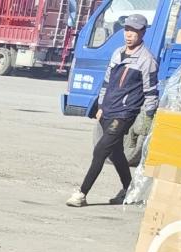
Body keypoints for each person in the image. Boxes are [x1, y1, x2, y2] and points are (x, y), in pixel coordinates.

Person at [67, 14, 158, 207]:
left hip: (124, 114)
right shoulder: (117, 53)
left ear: (142, 32)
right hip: (107, 110)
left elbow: (151, 92)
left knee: (100, 150)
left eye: (134, 31)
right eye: (127, 30)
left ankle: (82, 194)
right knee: (115, 153)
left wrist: (149, 118)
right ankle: (129, 191)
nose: (129, 34)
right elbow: (106, 82)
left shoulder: (146, 60)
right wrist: (100, 106)